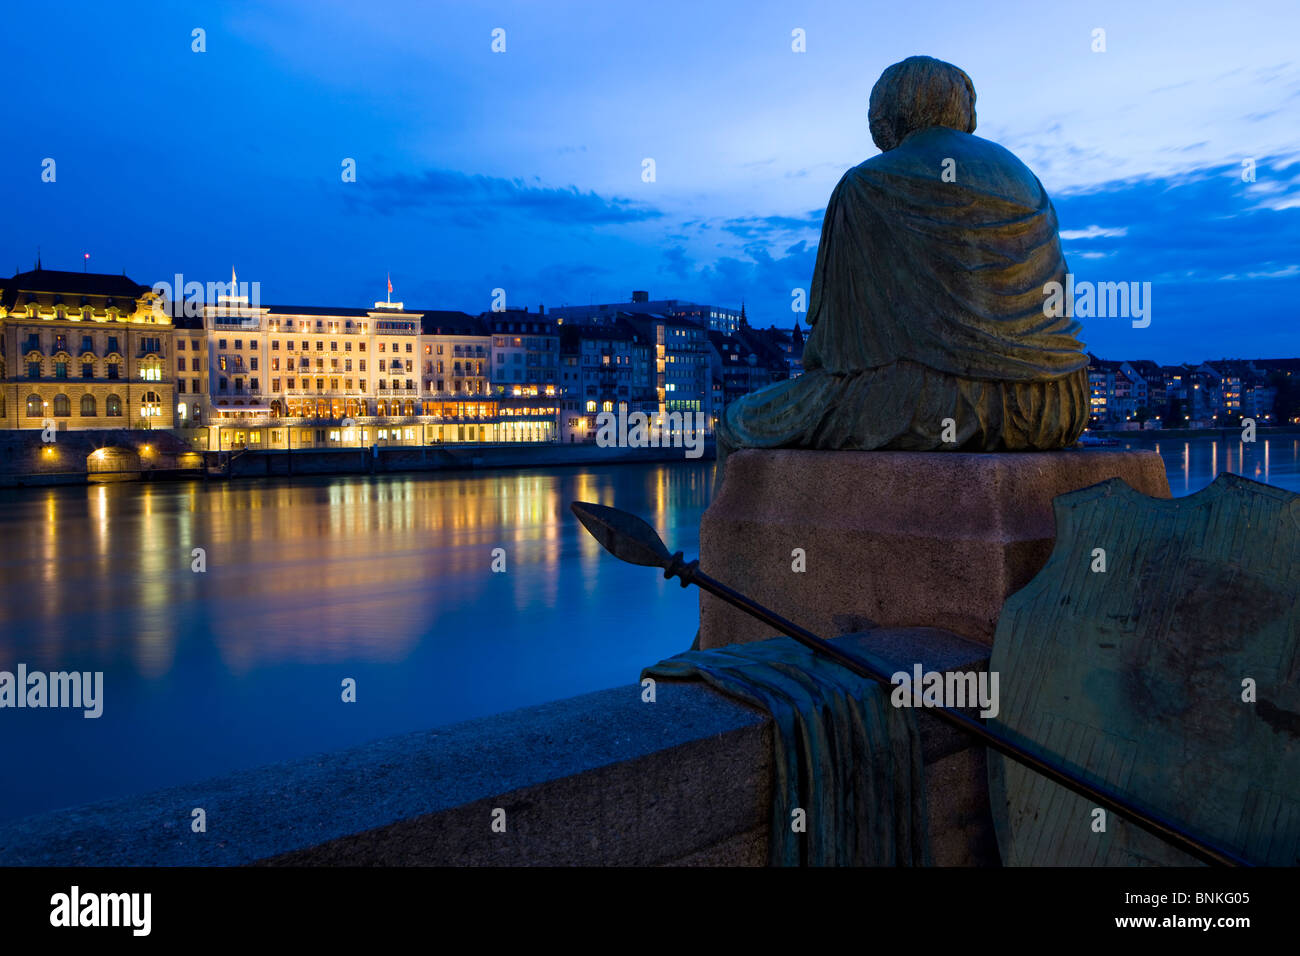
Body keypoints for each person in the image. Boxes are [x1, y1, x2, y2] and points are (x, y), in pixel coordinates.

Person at [717, 56, 1089, 465]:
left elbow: (837, 353)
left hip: (943, 403)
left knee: (740, 421)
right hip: (1057, 404)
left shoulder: (867, 184)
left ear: (889, 114)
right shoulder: (1023, 176)